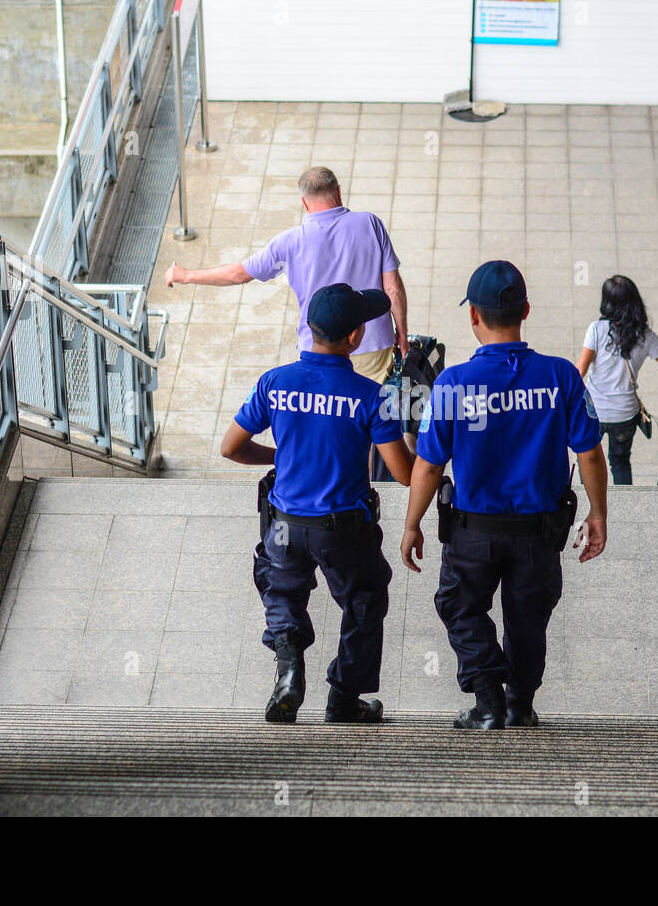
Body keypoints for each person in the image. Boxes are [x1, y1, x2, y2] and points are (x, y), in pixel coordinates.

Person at [400, 260, 609, 730]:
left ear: (473, 316)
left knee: (460, 606)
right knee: (528, 618)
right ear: (526, 310)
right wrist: (597, 513)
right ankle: (519, 704)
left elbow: (429, 465)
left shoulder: (454, 384)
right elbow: (591, 455)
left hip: (474, 533)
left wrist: (412, 524)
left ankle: (488, 701)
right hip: (539, 534)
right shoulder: (561, 377)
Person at [219, 284, 415, 724]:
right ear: (355, 338)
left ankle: (289, 673)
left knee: (283, 594)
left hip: (284, 524)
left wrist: (283, 455)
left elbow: (231, 447)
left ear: (310, 328)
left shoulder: (276, 382)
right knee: (364, 600)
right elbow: (403, 473)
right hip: (341, 530)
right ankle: (343, 699)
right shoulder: (371, 396)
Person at [166, 167, 409, 383]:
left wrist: (185, 275)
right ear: (339, 191)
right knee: (372, 414)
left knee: (331, 417)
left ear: (304, 203)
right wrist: (403, 335)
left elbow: (238, 275)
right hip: (373, 344)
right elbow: (393, 288)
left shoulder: (288, 243)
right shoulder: (370, 224)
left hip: (319, 349)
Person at [576, 275, 658, 486]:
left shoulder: (596, 330)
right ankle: (625, 508)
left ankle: (592, 502)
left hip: (594, 411)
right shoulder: (647, 336)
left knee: (588, 459)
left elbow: (580, 371)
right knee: (620, 461)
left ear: (606, 302)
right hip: (625, 415)